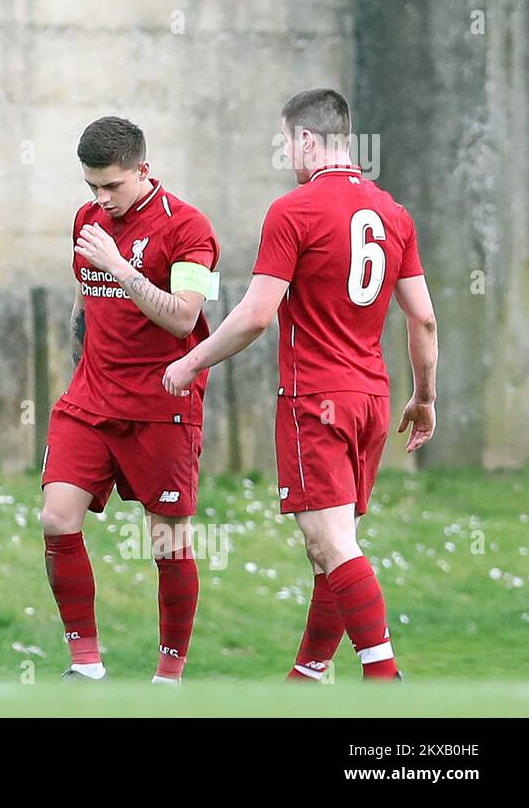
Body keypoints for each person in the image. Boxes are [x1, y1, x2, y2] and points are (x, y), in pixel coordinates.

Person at [163, 89, 438, 680]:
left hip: (316, 397)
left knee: (332, 544)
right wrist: (424, 396)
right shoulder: (393, 213)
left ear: (307, 140)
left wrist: (192, 363)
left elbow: (257, 315)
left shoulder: (294, 211)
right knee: (331, 549)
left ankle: (383, 678)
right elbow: (423, 319)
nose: (288, 154)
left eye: (287, 142)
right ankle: (306, 679)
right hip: (372, 398)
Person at [40, 116, 220, 683]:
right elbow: (83, 303)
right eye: (91, 186)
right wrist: (79, 375)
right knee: (56, 519)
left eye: (112, 185)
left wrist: (118, 266)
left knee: (167, 542)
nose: (101, 198)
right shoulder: (87, 220)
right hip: (90, 401)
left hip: (161, 406)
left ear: (144, 169)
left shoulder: (189, 228)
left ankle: (168, 677)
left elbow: (184, 317)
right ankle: (85, 665)